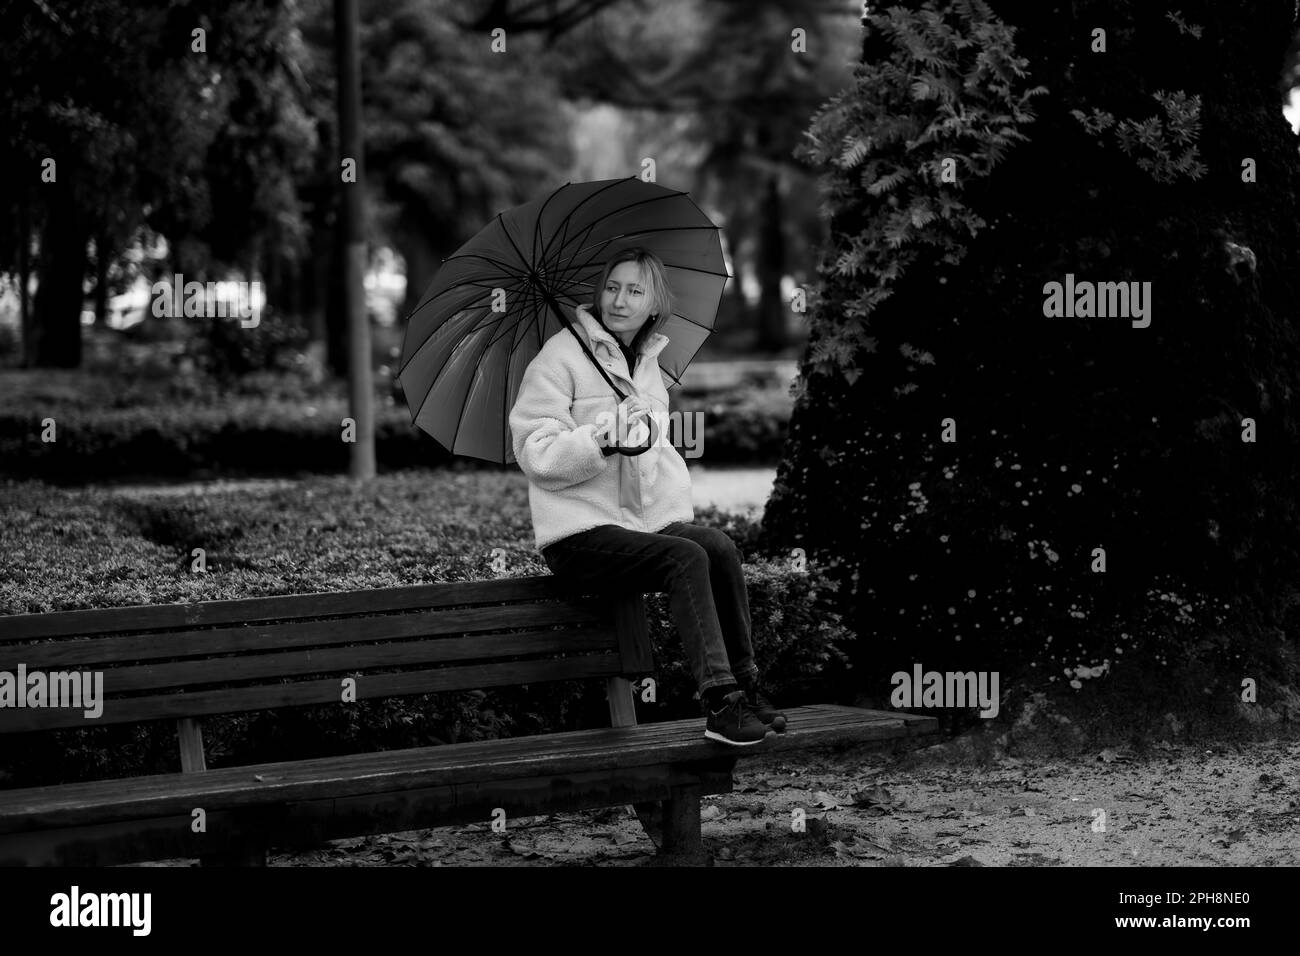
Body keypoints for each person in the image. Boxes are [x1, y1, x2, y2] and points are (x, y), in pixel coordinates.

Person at [508, 246, 787, 746]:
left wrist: (640, 432)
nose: (619, 300)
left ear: (653, 304)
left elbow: (647, 451)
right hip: (579, 533)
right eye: (612, 287)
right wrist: (602, 436)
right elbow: (536, 452)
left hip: (641, 524)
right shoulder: (560, 356)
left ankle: (747, 687)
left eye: (634, 291)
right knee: (683, 559)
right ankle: (721, 704)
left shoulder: (648, 363)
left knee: (718, 547)